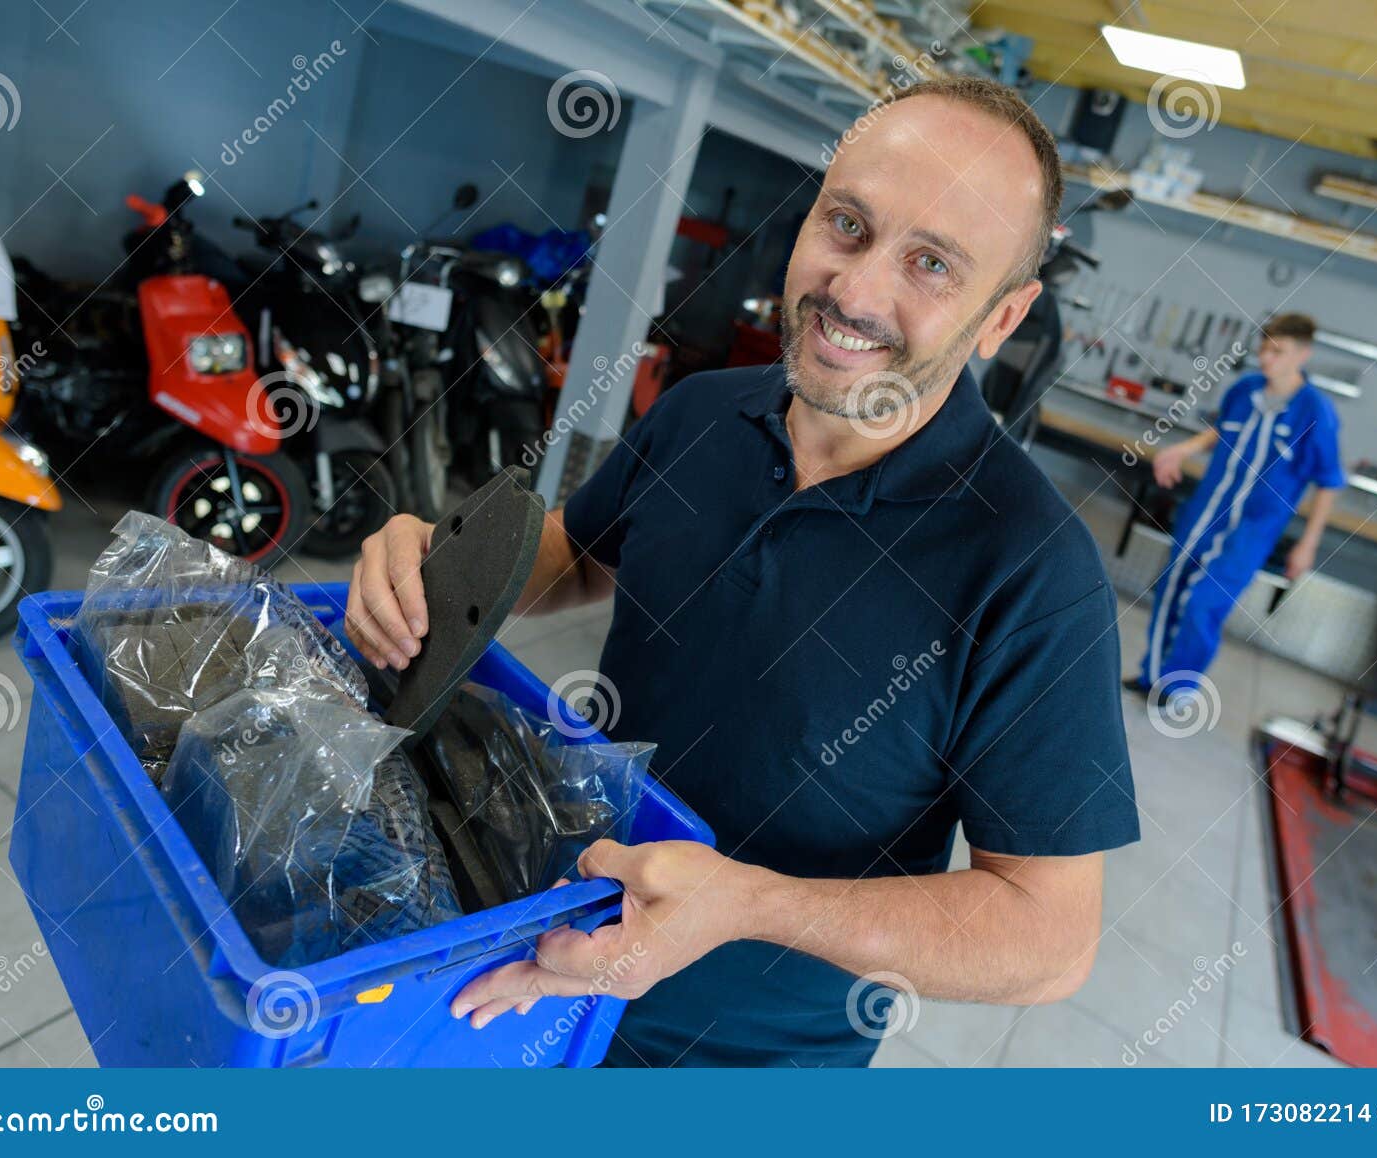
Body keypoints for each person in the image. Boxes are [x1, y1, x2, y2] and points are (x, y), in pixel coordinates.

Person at [346, 76, 1139, 1068]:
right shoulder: (703, 412)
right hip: (534, 966)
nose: (853, 293)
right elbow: (577, 560)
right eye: (846, 225)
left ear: (1001, 316)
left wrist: (750, 903)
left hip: (742, 1059)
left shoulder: (1030, 570)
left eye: (930, 263)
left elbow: (1046, 939)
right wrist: (432, 557)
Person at [1126, 313, 1345, 704]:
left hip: (1252, 530)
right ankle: (1149, 679)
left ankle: (1178, 690)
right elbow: (1220, 429)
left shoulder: (1315, 412)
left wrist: (1308, 544)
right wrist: (1182, 448)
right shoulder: (1244, 390)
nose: (1266, 359)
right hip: (1205, 513)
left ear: (1303, 355)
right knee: (1171, 589)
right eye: (1264, 348)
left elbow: (1328, 482)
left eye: (1278, 351)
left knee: (1205, 603)